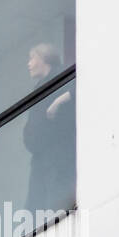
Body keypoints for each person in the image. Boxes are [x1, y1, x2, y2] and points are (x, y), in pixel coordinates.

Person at [22, 43, 75, 220]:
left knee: (55, 202)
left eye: (32, 58)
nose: (29, 63)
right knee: (37, 206)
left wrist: (58, 101)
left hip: (58, 155)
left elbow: (80, 85)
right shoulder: (40, 88)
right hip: (42, 159)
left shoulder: (61, 76)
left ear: (44, 58)